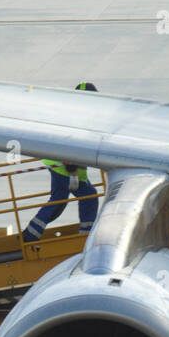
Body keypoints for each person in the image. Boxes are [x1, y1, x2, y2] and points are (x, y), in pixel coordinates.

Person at [23, 82, 100, 242]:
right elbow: (69, 140)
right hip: (64, 165)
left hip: (55, 161)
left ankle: (31, 234)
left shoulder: (71, 111)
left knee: (59, 199)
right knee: (89, 196)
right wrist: (71, 168)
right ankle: (86, 234)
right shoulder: (79, 115)